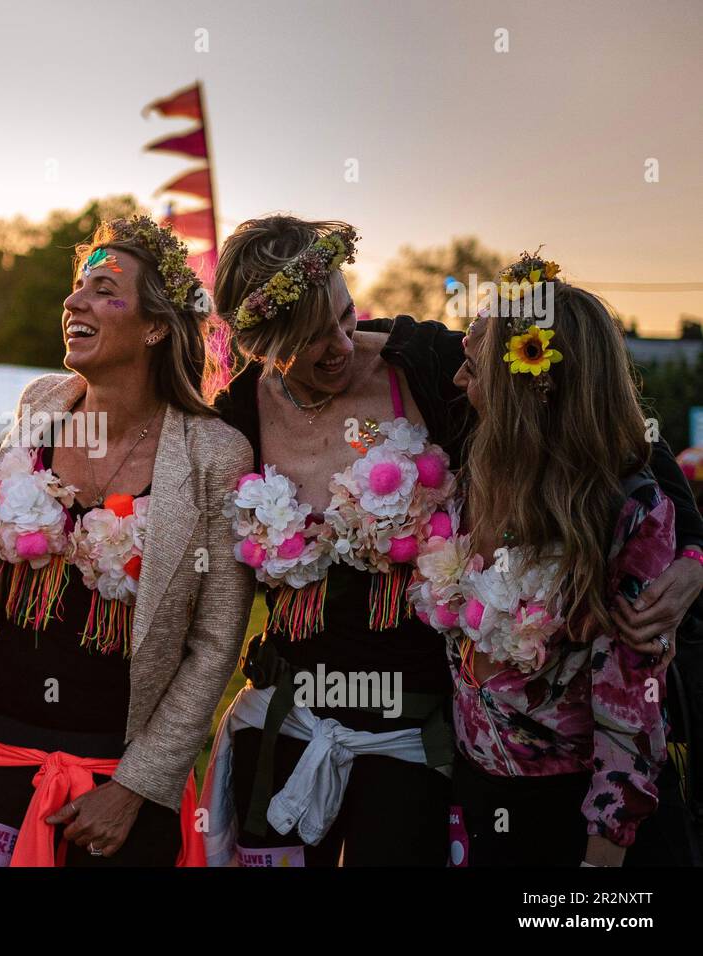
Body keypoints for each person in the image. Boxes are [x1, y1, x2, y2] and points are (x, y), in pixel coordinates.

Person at [198, 215, 703, 866]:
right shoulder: (237, 417)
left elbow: (596, 424)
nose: (339, 348)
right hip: (290, 711)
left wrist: (692, 548)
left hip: (419, 731)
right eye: (306, 341)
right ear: (258, 343)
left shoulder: (429, 362)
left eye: (345, 318)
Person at [0, 216, 254, 866]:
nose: (73, 302)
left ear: (157, 325)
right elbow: (21, 533)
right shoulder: (43, 403)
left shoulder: (215, 454)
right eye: (77, 287)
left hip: (119, 779)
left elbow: (214, 645)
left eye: (102, 289)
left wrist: (133, 788)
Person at [409, 258, 675, 865]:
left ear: (528, 384)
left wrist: (600, 862)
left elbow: (633, 715)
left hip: (577, 818)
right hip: (478, 799)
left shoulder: (627, 513)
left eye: (473, 368)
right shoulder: (471, 485)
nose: (455, 380)